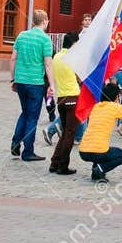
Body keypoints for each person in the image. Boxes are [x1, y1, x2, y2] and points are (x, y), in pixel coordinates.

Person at [77, 80, 122, 183]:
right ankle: (100, 169)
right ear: (116, 97)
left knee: (100, 148)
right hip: (98, 151)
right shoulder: (114, 107)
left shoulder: (96, 106)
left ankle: (96, 172)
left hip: (83, 151)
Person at [10, 10, 54, 162]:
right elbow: (48, 64)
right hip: (36, 83)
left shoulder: (21, 36)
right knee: (32, 117)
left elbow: (13, 58)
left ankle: (16, 142)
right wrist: (52, 84)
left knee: (25, 112)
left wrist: (13, 78)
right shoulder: (45, 40)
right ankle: (28, 151)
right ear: (45, 21)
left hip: (21, 81)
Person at [49, 32, 81, 175]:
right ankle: (63, 165)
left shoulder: (56, 57)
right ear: (73, 43)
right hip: (73, 96)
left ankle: (54, 162)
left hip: (61, 98)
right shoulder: (72, 58)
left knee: (64, 133)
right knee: (70, 133)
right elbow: (80, 77)